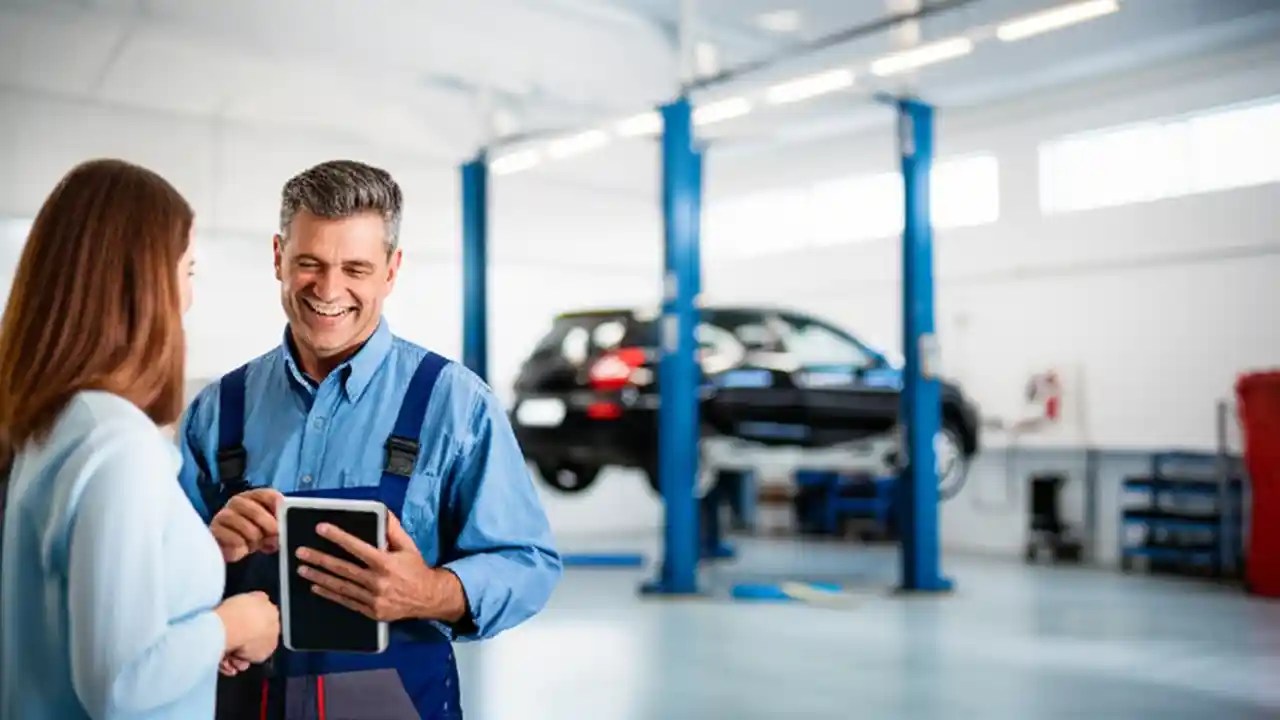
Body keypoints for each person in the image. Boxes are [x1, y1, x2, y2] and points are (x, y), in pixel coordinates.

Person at [177, 159, 562, 719]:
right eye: (310, 263)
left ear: (391, 269)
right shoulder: (219, 410)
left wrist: (430, 591)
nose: (329, 290)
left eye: (356, 268)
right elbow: (159, 584)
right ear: (279, 257)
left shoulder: (454, 404)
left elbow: (528, 563)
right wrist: (209, 549)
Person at [0, 159, 282, 719]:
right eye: (189, 270)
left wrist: (201, 555)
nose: (191, 297)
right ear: (143, 281)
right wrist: (233, 624)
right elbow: (120, 681)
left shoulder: (56, 423)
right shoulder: (118, 447)